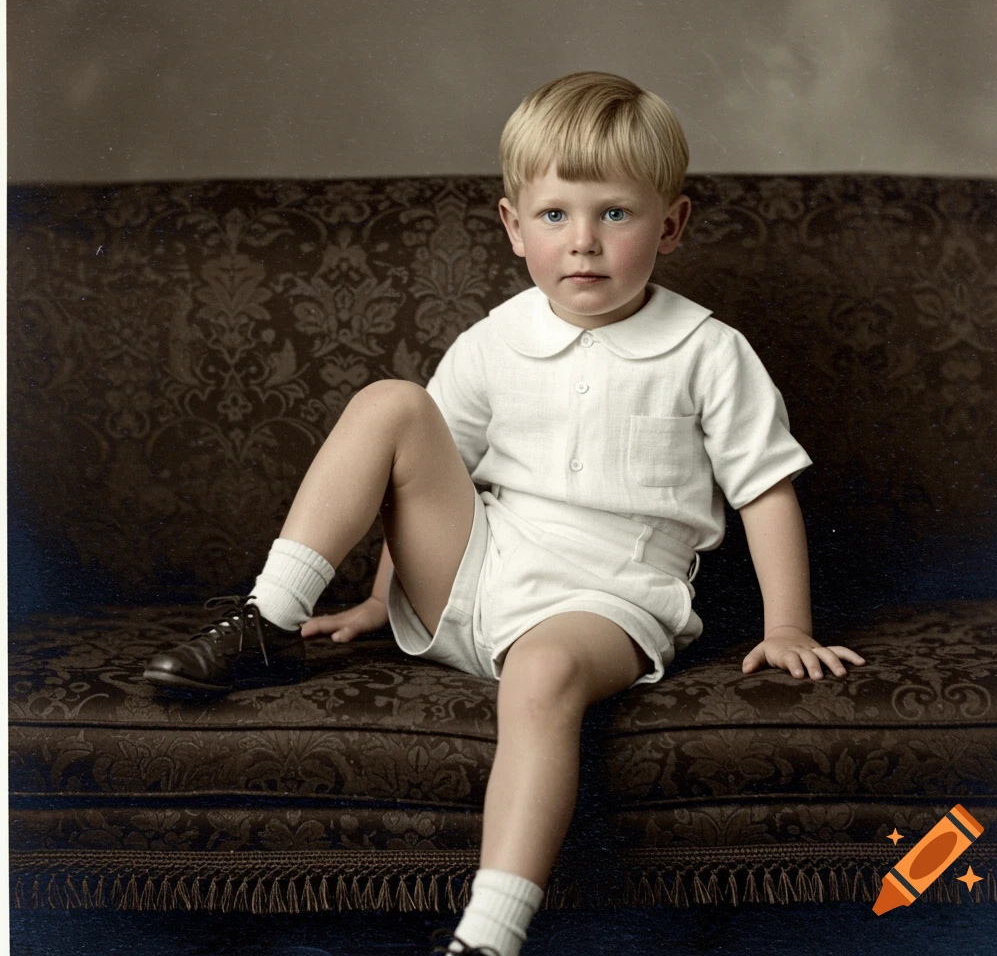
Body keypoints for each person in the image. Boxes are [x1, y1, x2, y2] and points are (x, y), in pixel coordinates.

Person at [144, 71, 866, 956]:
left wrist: (788, 622)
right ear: (513, 226)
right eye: (557, 215)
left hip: (608, 598)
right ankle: (267, 619)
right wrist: (383, 599)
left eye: (617, 214)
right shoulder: (497, 337)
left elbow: (764, 489)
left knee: (543, 676)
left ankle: (486, 938)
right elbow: (417, 473)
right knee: (391, 405)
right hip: (477, 576)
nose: (585, 244)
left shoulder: (708, 350)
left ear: (671, 225)